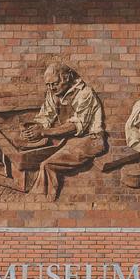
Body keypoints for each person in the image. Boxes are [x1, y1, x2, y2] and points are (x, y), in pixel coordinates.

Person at [21, 62, 107, 200]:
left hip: (91, 140)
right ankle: (37, 198)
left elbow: (76, 126)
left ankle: (41, 201)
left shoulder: (85, 93)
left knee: (47, 164)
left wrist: (43, 132)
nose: (51, 88)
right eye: (48, 85)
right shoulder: (54, 93)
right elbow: (46, 116)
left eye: (54, 84)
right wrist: (35, 127)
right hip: (70, 139)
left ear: (66, 78)